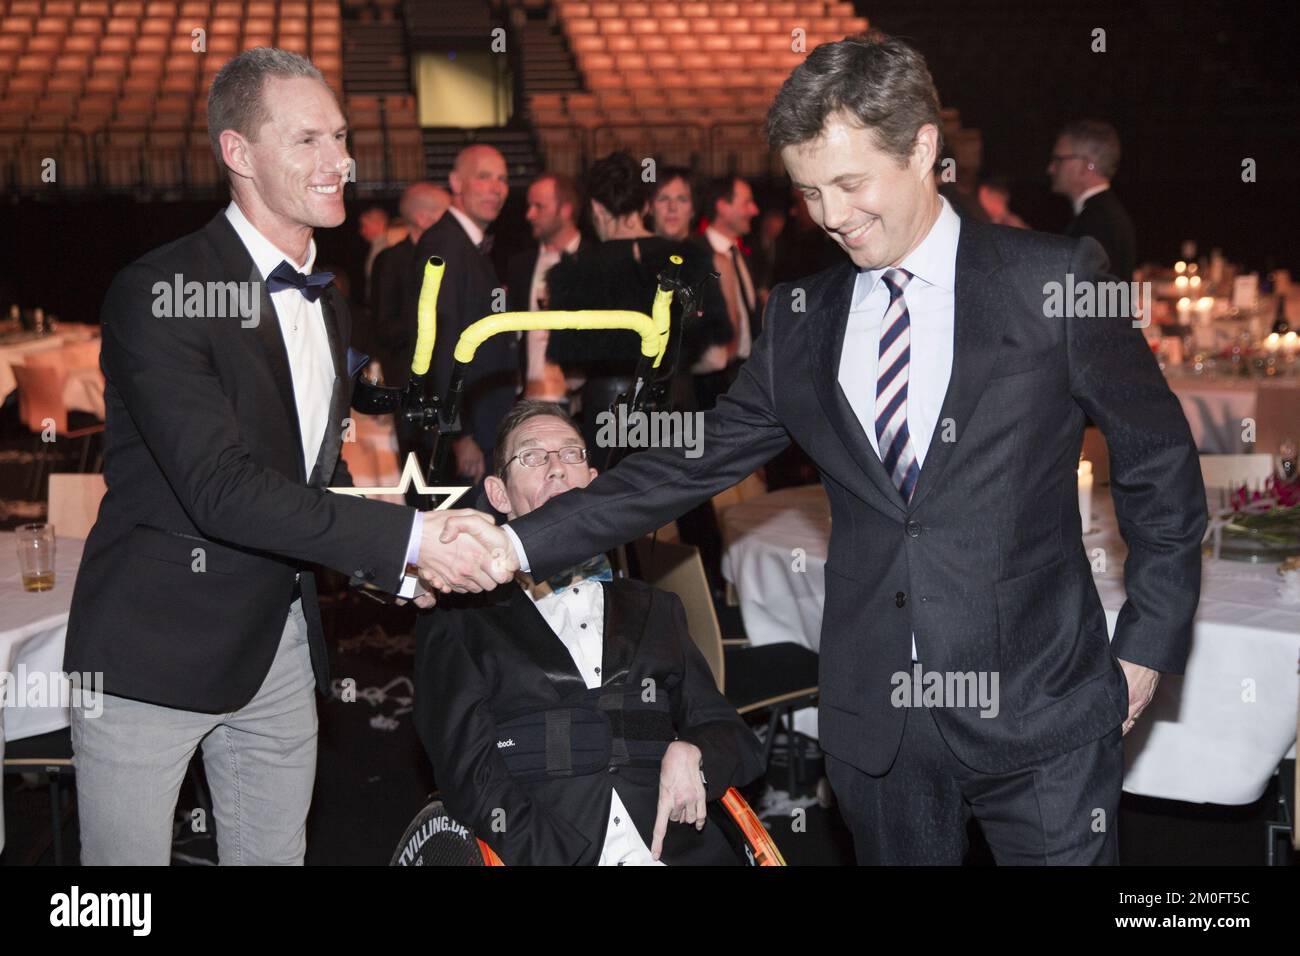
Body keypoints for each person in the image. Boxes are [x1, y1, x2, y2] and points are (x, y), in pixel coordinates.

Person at [453, 32, 1207, 865]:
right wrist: (515, 540)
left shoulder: (1053, 280)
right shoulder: (803, 318)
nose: (833, 217)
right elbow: (688, 462)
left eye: (851, 183)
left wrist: (1145, 648)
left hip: (1044, 715)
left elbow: (1159, 464)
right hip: (877, 731)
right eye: (810, 192)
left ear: (923, 147)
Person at [63, 49, 514, 866]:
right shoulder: (158, 291)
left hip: (279, 647)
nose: (339, 161)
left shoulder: (327, 297)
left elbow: (315, 478)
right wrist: (409, 540)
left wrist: (397, 569)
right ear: (237, 153)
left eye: (339, 137)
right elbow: (221, 489)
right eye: (306, 140)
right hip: (152, 654)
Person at [414, 401, 765, 865]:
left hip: (677, 847)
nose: (556, 468)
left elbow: (734, 736)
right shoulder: (461, 619)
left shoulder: (657, 607)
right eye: (533, 456)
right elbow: (470, 776)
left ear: (596, 486)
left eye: (571, 454)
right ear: (499, 495)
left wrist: (695, 754)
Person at [544, 151, 730, 453]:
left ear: (596, 209)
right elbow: (716, 358)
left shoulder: (573, 272)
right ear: (645, 206)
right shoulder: (692, 261)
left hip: (607, 420)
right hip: (677, 416)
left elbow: (574, 379)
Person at [404, 144, 516, 483]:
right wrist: (458, 433)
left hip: (482, 421)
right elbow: (439, 341)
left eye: (503, 179)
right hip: (468, 432)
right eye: (484, 177)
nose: (496, 188)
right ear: (456, 182)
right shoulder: (447, 244)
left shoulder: (467, 244)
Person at [505, 173, 583, 405]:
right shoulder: (519, 265)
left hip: (579, 401)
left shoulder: (595, 261)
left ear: (565, 210)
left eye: (539, 206)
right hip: (527, 399)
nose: (529, 215)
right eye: (529, 206)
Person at [691, 174, 761, 410]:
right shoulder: (698, 257)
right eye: (746, 202)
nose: (755, 210)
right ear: (722, 206)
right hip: (709, 388)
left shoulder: (742, 253)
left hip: (746, 378)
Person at [1049, 119, 1136, 279]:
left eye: (1059, 159)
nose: (1051, 168)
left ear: (1085, 165)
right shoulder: (1106, 214)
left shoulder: (1096, 223)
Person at [649, 166, 696, 242]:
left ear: (693, 209)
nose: (672, 207)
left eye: (682, 200)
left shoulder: (708, 253)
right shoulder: (636, 252)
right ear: (650, 207)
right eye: (663, 199)